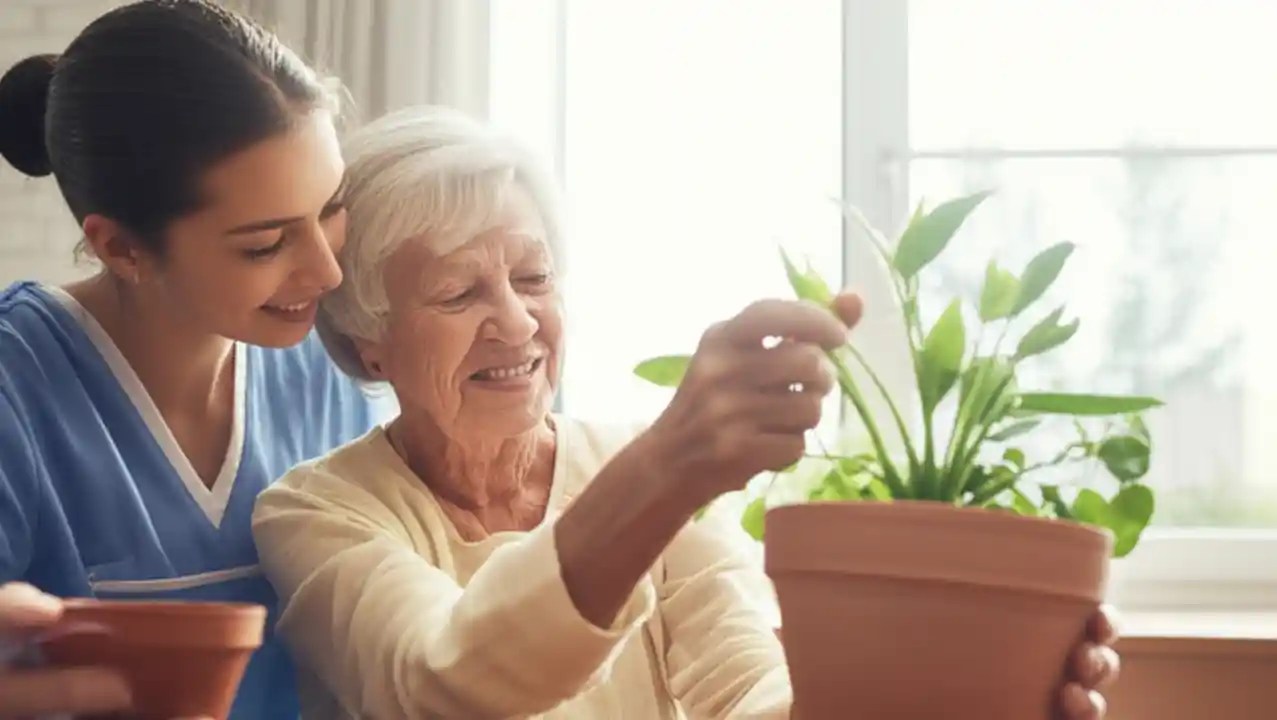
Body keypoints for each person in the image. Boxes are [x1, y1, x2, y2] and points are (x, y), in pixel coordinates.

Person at [252, 106, 1121, 719]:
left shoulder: (640, 472)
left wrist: (944, 693)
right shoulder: (317, 513)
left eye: (533, 278)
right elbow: (442, 681)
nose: (516, 322)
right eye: (456, 292)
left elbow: (750, 694)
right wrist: (667, 468)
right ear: (370, 343)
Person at [0, 2, 389, 717]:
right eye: (265, 245)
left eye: (332, 207)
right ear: (122, 248)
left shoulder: (331, 367)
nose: (328, 272)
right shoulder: (17, 390)